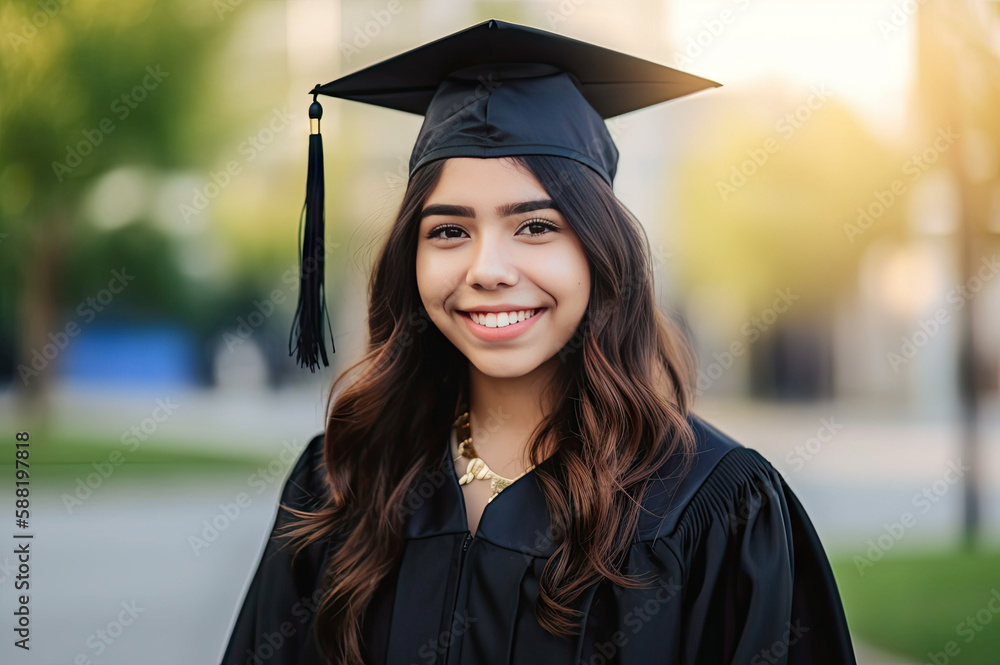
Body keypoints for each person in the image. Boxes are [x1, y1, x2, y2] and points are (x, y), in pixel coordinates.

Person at [220, 18, 858, 665]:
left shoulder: (711, 509)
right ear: (407, 258)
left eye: (534, 226)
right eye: (448, 231)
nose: (487, 268)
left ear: (600, 251)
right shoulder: (343, 477)